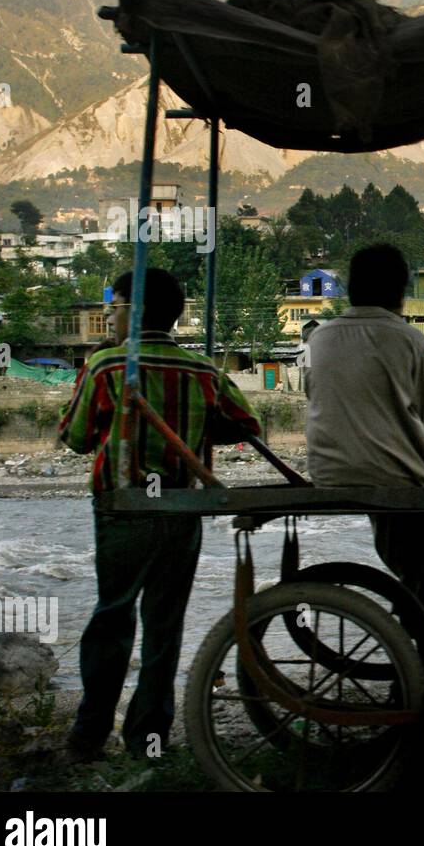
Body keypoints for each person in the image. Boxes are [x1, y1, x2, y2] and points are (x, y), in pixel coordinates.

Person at [59, 268, 261, 761]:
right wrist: (191, 437)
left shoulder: (108, 365)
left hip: (123, 509)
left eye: (114, 305)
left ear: (133, 308)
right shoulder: (204, 371)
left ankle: (88, 736)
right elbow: (246, 424)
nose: (109, 315)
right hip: (180, 510)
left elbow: (78, 436)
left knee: (112, 618)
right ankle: (149, 738)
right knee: (164, 627)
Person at [304, 244, 424, 622]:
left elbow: (315, 399)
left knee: (395, 489)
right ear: (401, 291)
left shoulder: (319, 338)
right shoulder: (411, 339)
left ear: (351, 289)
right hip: (389, 471)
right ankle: (423, 586)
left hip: (327, 468)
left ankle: (419, 587)